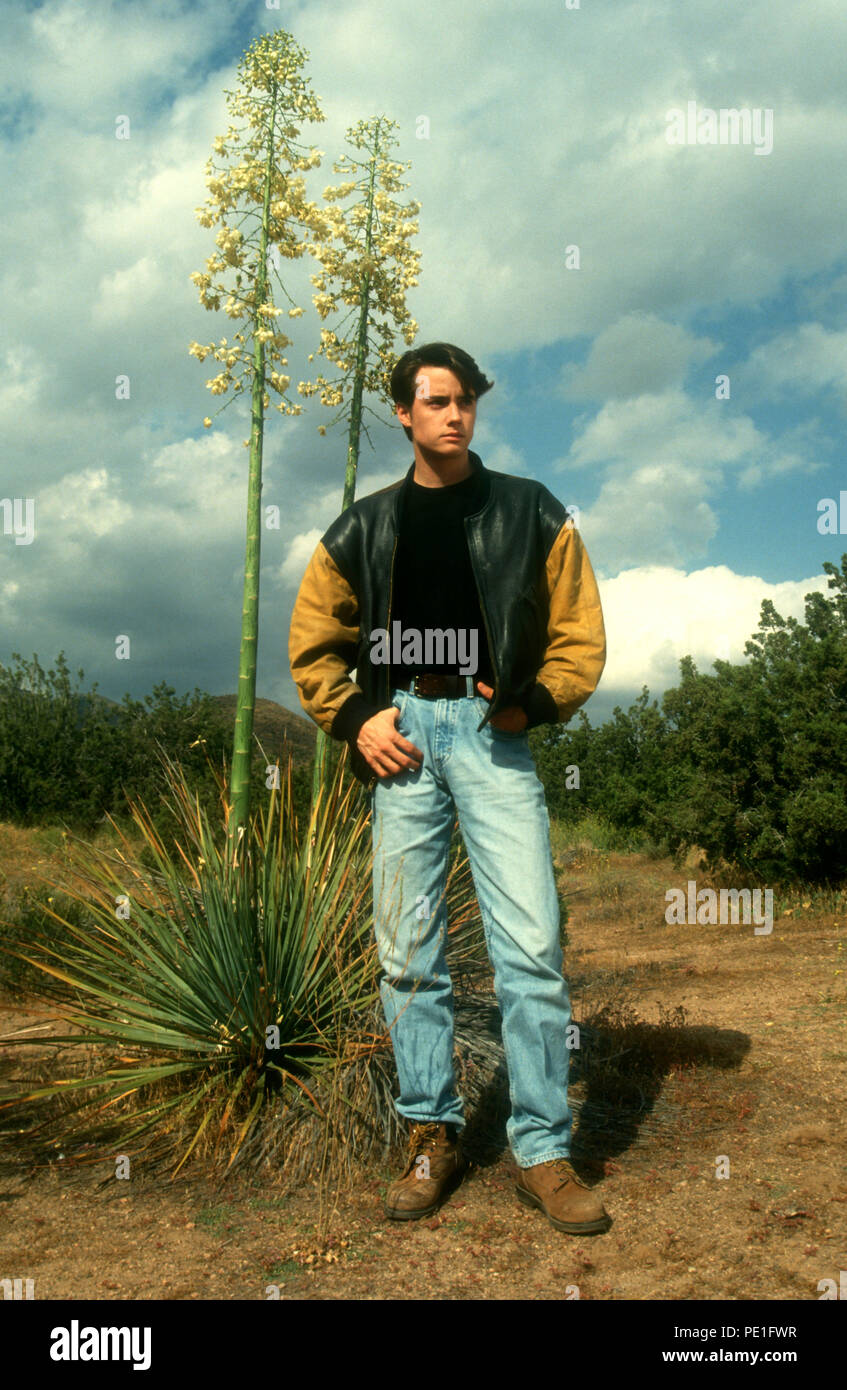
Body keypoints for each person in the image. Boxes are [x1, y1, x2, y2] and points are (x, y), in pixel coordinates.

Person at [288, 342, 611, 1235]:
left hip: (489, 737)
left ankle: (542, 1150)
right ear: (403, 413)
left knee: (532, 951)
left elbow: (578, 625)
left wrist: (534, 702)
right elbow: (316, 639)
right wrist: (356, 716)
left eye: (464, 400)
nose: (453, 415)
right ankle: (431, 1134)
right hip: (402, 738)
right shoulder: (362, 526)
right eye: (434, 402)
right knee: (407, 953)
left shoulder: (529, 508)